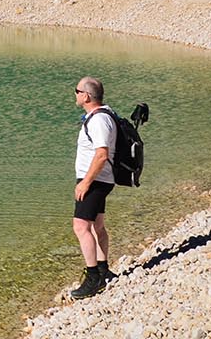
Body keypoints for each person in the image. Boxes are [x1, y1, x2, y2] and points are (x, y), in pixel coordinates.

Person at [70, 75, 116, 299]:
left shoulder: (98, 120)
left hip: (95, 179)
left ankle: (92, 278)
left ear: (86, 96)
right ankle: (103, 269)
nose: (75, 94)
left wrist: (85, 183)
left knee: (81, 227)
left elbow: (101, 154)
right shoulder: (105, 115)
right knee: (97, 224)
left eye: (77, 91)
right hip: (101, 179)